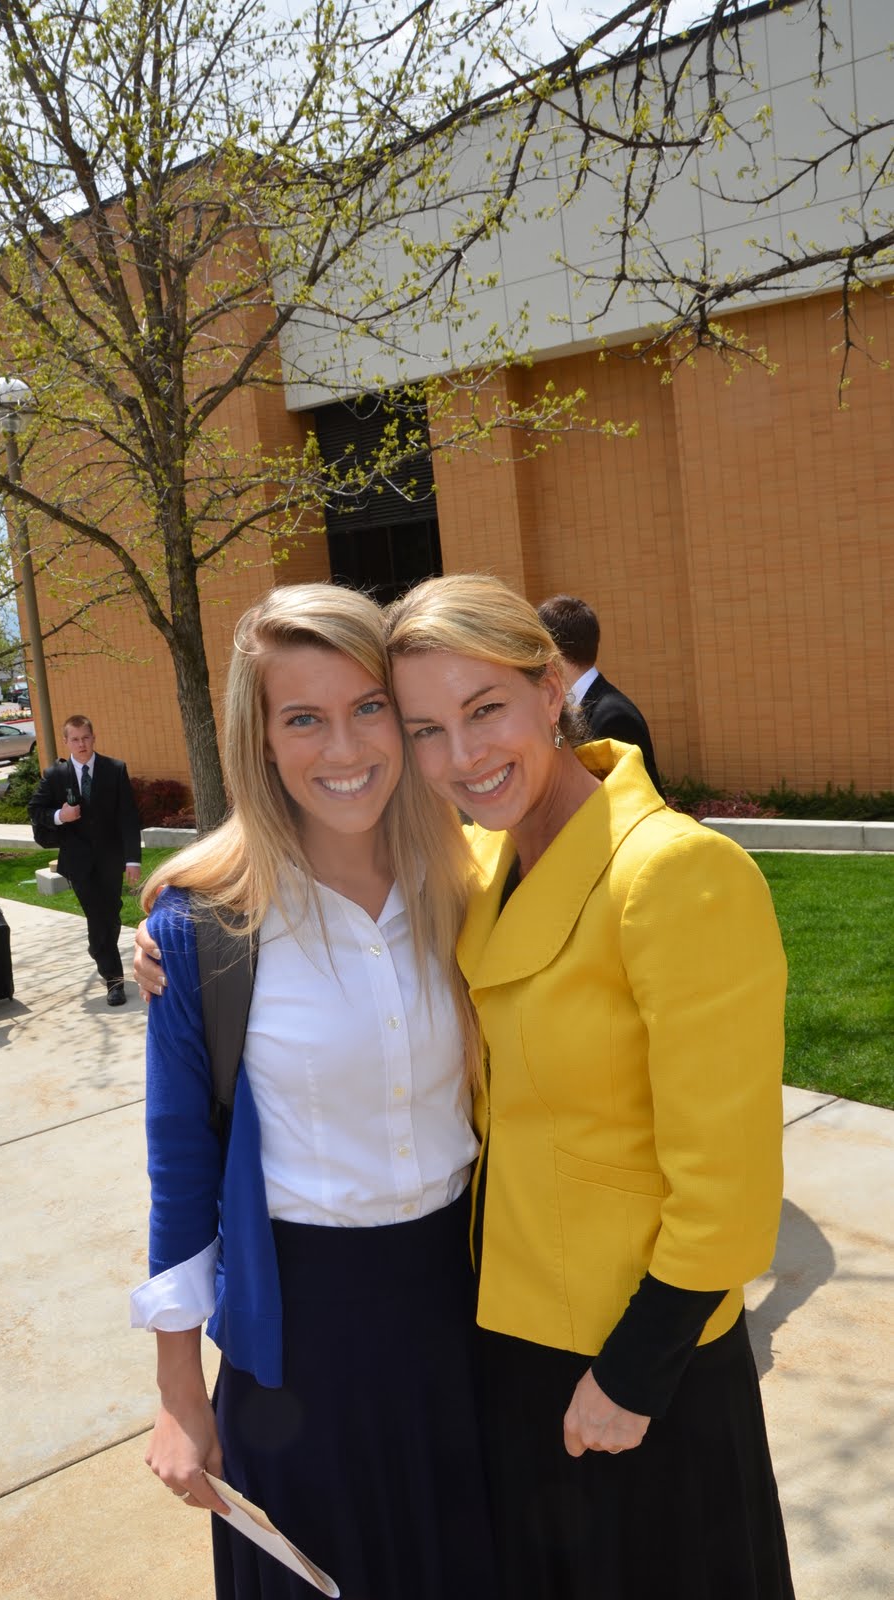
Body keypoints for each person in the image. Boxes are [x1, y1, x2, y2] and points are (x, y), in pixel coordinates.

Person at [383, 574, 794, 1600]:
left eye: (485, 710)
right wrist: (176, 917)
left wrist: (630, 1376)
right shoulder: (484, 857)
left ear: (551, 685)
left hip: (634, 1364)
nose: (463, 756)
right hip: (510, 1333)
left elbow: (727, 1183)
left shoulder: (675, 872)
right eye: (426, 729)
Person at [129, 584, 495, 1600]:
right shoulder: (201, 936)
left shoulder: (468, 892)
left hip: (467, 1313)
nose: (344, 746)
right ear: (262, 737)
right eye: (304, 717)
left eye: (367, 706)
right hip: (299, 1341)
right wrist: (175, 1395)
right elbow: (180, 1180)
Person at [28, 715, 141, 1006]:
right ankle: (114, 981)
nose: (81, 744)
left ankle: (97, 947)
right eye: (75, 739)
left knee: (111, 913)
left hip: (111, 858)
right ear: (66, 741)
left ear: (94, 737)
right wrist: (60, 816)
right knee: (96, 914)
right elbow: (36, 809)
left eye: (86, 737)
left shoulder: (115, 769)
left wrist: (133, 860)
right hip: (77, 862)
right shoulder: (54, 775)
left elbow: (128, 816)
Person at [537, 593, 665, 796]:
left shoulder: (614, 717)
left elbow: (637, 797)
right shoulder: (563, 711)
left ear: (553, 652)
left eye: (537, 647)